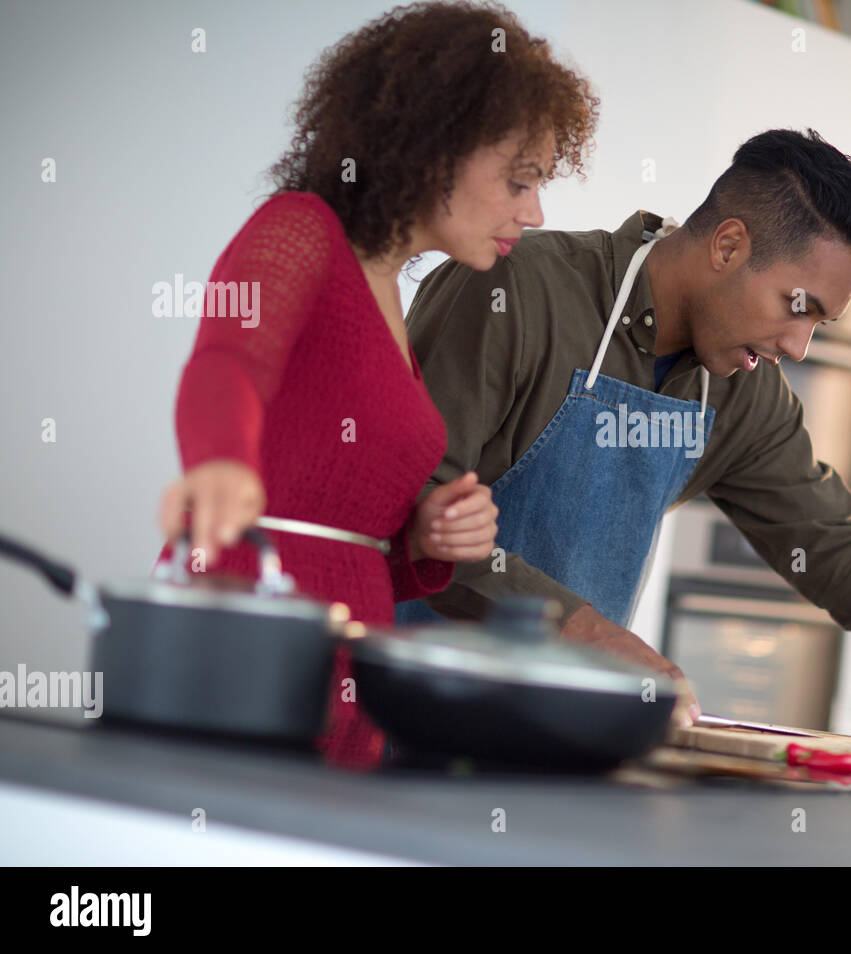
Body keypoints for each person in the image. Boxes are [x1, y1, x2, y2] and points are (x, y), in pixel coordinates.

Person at [395, 128, 851, 771]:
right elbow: (412, 499)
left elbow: (833, 548)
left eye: (821, 325)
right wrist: (585, 632)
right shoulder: (514, 291)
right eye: (799, 308)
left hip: (564, 737)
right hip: (415, 713)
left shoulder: (743, 393)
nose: (797, 345)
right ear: (729, 245)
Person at [155, 1, 598, 768]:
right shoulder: (299, 231)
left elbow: (347, 538)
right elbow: (228, 359)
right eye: (520, 181)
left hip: (345, 668)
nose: (535, 211)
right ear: (437, 151)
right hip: (253, 638)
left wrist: (424, 538)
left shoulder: (391, 292)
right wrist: (218, 461)